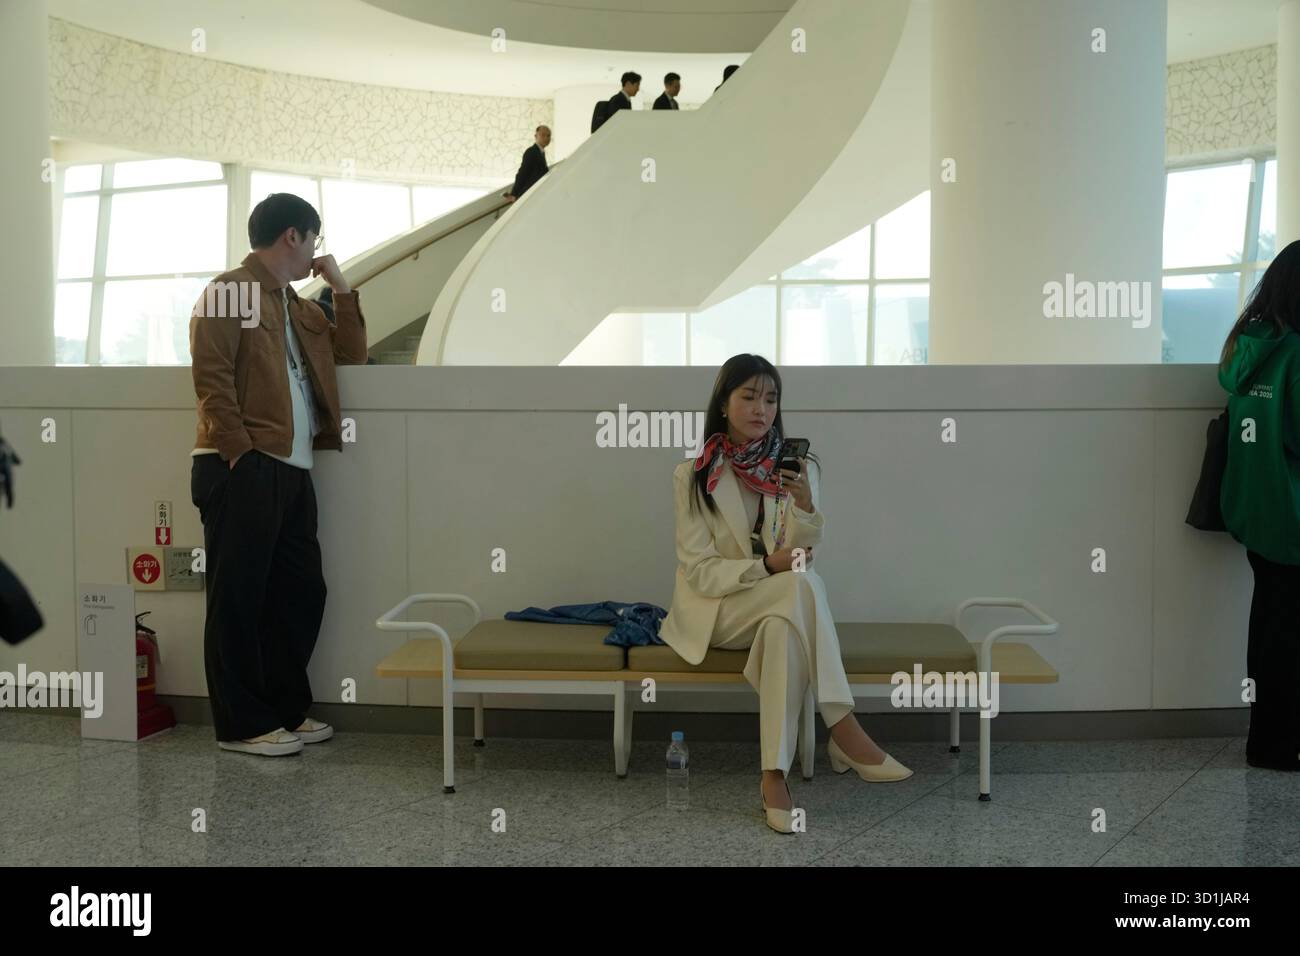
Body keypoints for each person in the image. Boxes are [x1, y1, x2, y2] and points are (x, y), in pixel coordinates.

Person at [660, 354, 912, 833]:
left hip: (779, 603)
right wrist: (764, 566)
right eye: (749, 397)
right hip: (719, 611)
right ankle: (842, 726)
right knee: (796, 587)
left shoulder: (798, 469)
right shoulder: (693, 475)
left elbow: (802, 553)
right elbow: (699, 572)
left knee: (785, 620)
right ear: (724, 402)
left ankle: (773, 776)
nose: (762, 409)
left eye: (771, 399)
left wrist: (805, 507)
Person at [189, 193, 368, 757]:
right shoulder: (230, 291)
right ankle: (241, 725)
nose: (316, 248)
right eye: (314, 239)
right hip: (239, 464)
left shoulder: (296, 305)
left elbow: (353, 354)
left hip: (293, 469)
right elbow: (210, 376)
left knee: (299, 592)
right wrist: (240, 453)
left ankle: (284, 710)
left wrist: (340, 287)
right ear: (293, 236)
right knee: (238, 599)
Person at [1217, 238, 1300, 772]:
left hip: (1255, 511)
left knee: (1270, 629)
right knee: (1286, 637)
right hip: (1293, 516)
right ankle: (1276, 745)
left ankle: (1265, 740)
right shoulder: (1296, 354)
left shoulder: (1249, 346)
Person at [503, 125, 551, 203]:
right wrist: (514, 194)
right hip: (529, 195)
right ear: (536, 136)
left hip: (535, 194)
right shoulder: (531, 151)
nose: (546, 138)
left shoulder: (540, 152)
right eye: (543, 135)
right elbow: (522, 173)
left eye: (548, 136)